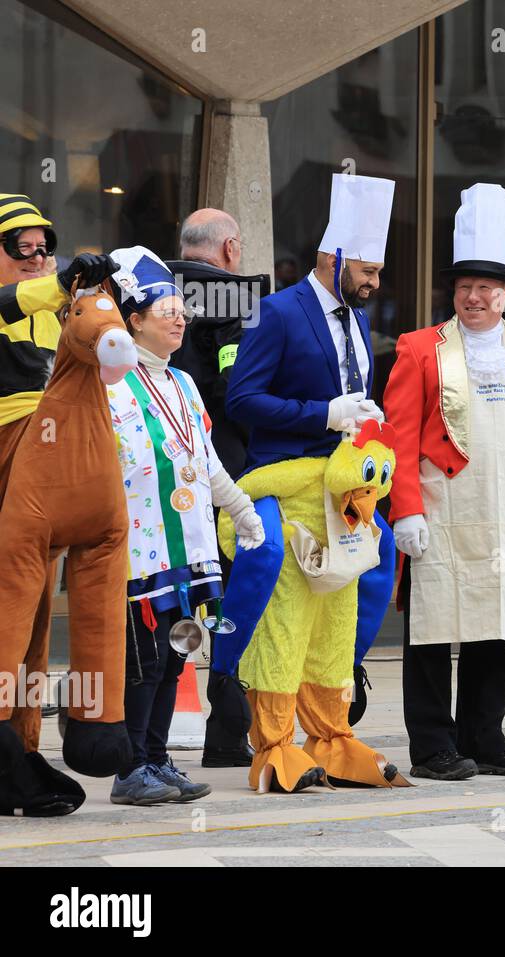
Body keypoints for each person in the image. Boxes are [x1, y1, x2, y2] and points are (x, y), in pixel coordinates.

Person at [386, 184, 505, 781]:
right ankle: (433, 745)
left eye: (486, 287)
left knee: (495, 628)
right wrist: (404, 509)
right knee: (433, 631)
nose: (474, 297)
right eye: (464, 287)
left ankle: (486, 737)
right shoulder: (418, 349)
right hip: (440, 507)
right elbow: (398, 437)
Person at [215, 174, 396, 748]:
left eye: (377, 273)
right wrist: (324, 413)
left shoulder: (359, 318)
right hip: (283, 480)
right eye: (366, 271)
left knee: (346, 608)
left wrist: (365, 420)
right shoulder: (278, 311)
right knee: (279, 599)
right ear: (331, 256)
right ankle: (261, 726)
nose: (373, 284)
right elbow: (241, 399)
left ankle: (331, 730)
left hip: (340, 491)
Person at [104, 247, 264, 805]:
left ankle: (156, 756)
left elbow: (208, 464)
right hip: (138, 552)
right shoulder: (109, 387)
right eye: (166, 307)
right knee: (144, 661)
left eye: (180, 306)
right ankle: (129, 769)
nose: (180, 316)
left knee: (175, 656)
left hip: (189, 549)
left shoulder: (185, 385)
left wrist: (240, 509)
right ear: (134, 321)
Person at [0, 193, 116, 760]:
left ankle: (20, 751)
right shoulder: (23, 299)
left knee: (37, 621)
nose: (37, 256)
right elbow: (11, 299)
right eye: (20, 247)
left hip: (46, 471)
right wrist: (63, 279)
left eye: (44, 248)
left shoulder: (54, 310)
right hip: (9, 461)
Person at [168, 208, 267, 480]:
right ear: (229, 247)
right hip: (219, 459)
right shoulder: (240, 302)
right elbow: (238, 387)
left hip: (155, 450)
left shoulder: (153, 292)